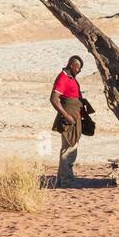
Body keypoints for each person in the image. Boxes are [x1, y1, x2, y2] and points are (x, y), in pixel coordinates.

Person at [50, 55, 85, 185]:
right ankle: (67, 181)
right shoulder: (63, 78)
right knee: (69, 149)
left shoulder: (71, 78)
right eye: (78, 68)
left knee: (68, 148)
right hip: (68, 120)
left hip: (74, 117)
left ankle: (61, 180)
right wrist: (66, 116)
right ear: (71, 65)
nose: (79, 70)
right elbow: (54, 99)